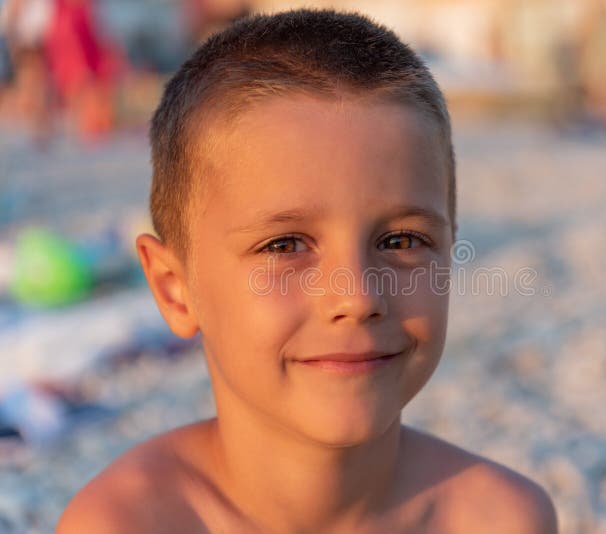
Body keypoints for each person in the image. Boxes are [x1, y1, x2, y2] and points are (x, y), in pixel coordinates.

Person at [56, 9, 558, 533]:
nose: (358, 297)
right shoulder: (126, 524)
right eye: (285, 245)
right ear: (174, 289)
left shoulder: (500, 519)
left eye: (402, 241)